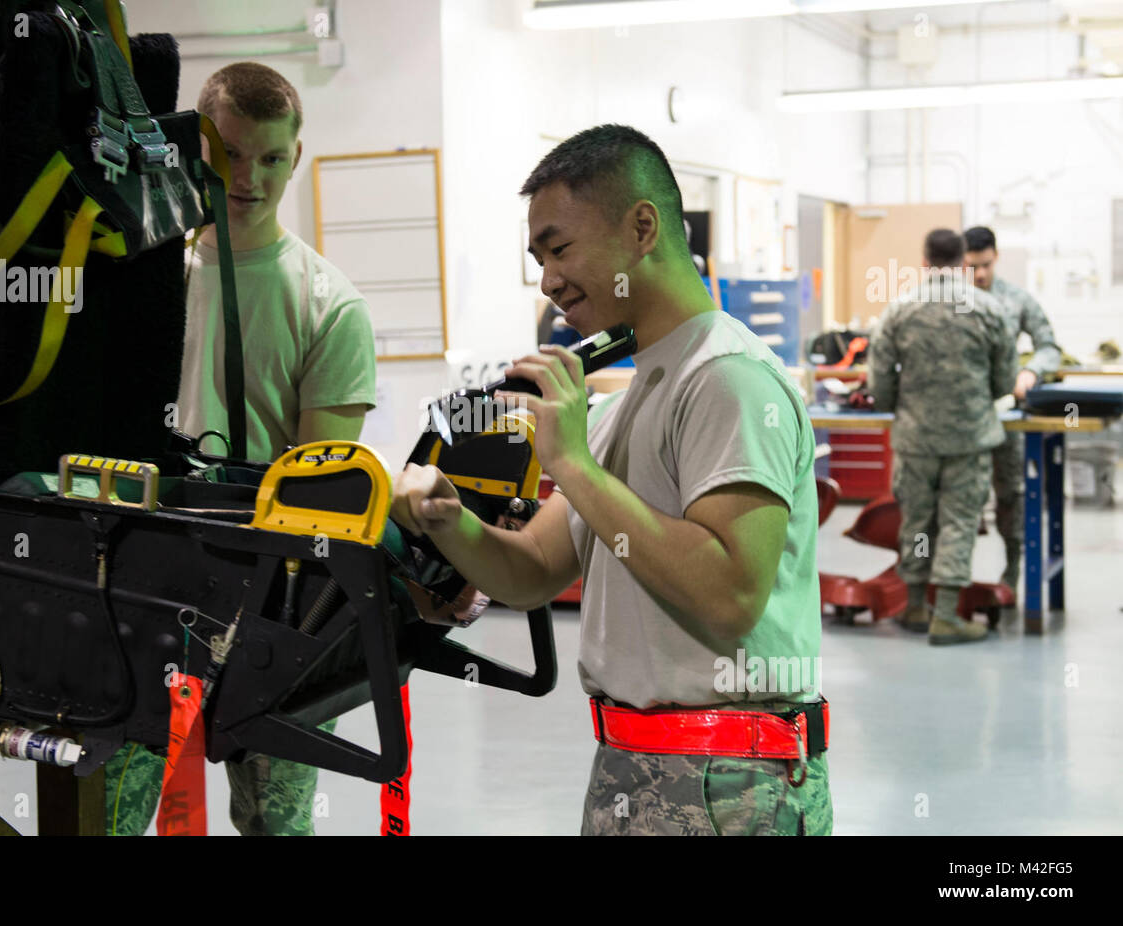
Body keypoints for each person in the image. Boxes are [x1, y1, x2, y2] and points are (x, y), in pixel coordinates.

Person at [392, 124, 831, 835]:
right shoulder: (626, 400)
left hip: (727, 783)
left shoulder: (727, 380)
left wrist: (569, 462)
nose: (549, 279)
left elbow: (730, 595)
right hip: (631, 764)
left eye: (560, 248)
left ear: (643, 228)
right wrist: (449, 519)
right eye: (538, 258)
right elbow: (534, 570)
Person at [107, 62, 376, 836]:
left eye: (269, 158)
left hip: (274, 600)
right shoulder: (141, 280)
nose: (247, 177)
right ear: (196, 149)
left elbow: (319, 487)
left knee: (276, 825)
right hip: (141, 588)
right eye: (227, 154)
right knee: (113, 820)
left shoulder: (330, 304)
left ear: (297, 155)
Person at [868, 229, 1016, 644]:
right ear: (962, 262)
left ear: (925, 260)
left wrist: (906, 404)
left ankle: (915, 604)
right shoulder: (989, 309)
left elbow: (879, 384)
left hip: (916, 441)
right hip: (969, 439)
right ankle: (947, 615)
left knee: (917, 523)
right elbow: (1005, 381)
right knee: (959, 523)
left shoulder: (898, 310)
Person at [963, 226, 1062, 592]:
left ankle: (1014, 568)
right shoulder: (950, 301)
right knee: (959, 501)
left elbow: (1049, 344)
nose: (982, 274)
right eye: (973, 267)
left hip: (1006, 417)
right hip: (961, 419)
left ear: (997, 256)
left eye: (986, 264)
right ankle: (951, 585)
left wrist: (1031, 370)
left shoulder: (1016, 300)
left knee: (1011, 494)